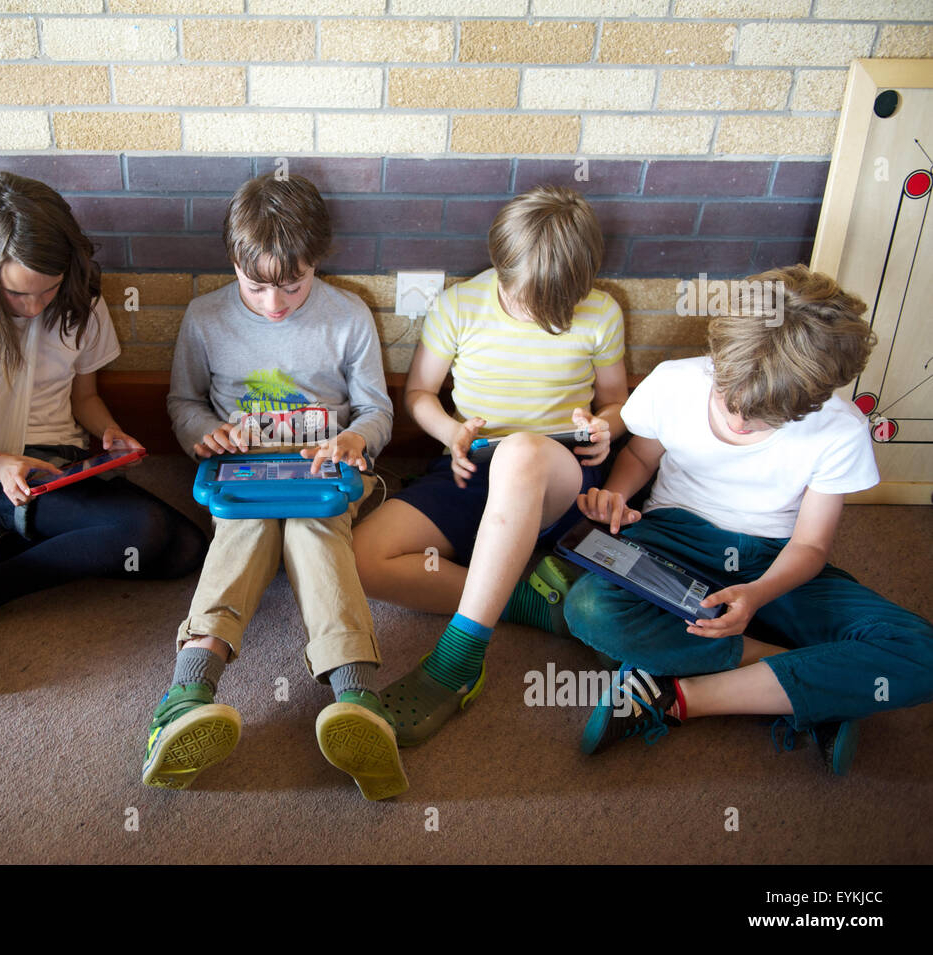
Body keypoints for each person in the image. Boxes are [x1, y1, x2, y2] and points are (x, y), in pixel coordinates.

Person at [565, 265, 933, 775]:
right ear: (718, 358)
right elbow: (641, 457)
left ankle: (680, 695)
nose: (738, 422)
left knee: (919, 652)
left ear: (815, 398)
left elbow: (810, 547)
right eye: (729, 401)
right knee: (590, 605)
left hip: (778, 563)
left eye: (763, 417)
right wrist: (617, 494)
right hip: (672, 538)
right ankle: (804, 681)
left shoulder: (840, 429)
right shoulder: (675, 382)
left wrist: (757, 594)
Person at [144, 173, 407, 800]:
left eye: (293, 284)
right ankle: (186, 695)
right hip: (244, 471)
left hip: (326, 468)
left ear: (317, 261)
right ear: (233, 263)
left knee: (316, 530)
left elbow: (377, 410)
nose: (274, 303)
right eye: (256, 285)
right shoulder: (205, 317)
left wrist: (356, 440)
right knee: (245, 527)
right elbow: (183, 403)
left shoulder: (347, 314)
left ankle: (357, 700)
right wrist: (204, 434)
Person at [0, 172, 205, 692]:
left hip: (65, 465)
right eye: (18, 293)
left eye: (49, 288)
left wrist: (110, 432)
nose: (36, 305)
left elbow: (85, 399)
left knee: (188, 549)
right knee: (145, 532)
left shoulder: (81, 307)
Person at [352, 186, 627, 745]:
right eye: (526, 301)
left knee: (521, 449)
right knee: (359, 558)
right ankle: (530, 602)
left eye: (554, 307)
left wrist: (607, 427)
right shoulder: (459, 306)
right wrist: (449, 431)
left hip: (557, 478)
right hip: (471, 470)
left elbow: (617, 401)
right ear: (501, 268)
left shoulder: (601, 312)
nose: (537, 315)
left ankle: (459, 658)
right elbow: (420, 393)